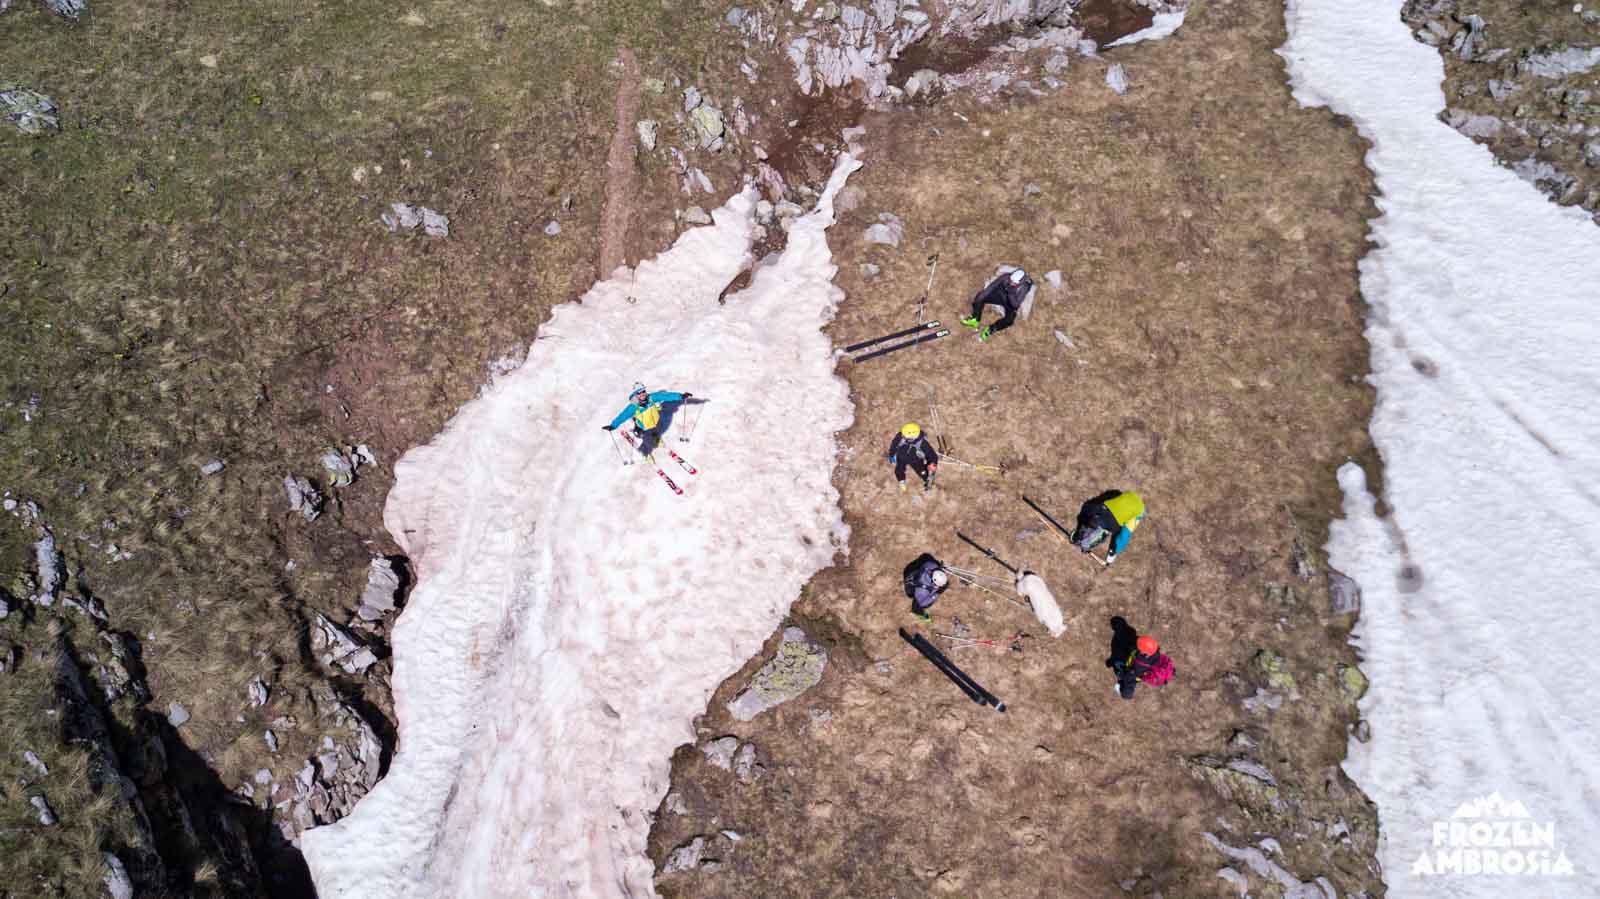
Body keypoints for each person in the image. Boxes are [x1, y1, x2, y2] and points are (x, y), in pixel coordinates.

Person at [602, 383, 691, 456]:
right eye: (639, 392)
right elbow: (623, 416)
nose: (642, 394)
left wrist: (681, 396)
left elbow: (666, 396)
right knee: (643, 434)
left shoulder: (652, 398)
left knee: (654, 430)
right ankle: (644, 450)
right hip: (643, 425)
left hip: (654, 422)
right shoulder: (633, 406)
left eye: (643, 391)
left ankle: (655, 437)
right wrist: (613, 425)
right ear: (635, 394)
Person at [1071, 489, 1146, 566]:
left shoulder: (1129, 494)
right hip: (1111, 522)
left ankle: (1080, 535)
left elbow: (1107, 497)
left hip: (1100, 509)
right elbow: (1125, 534)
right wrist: (1113, 553)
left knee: (1093, 518)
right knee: (1118, 530)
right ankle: (1089, 542)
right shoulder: (1140, 512)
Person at [1106, 618, 1174, 699]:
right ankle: (1113, 660)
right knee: (1126, 641)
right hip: (1131, 661)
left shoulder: (1139, 666)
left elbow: (1128, 688)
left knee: (1118, 656)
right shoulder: (1151, 651)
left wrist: (1124, 690)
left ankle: (1113, 660)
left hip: (1129, 665)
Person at [959, 268, 1033, 342]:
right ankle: (975, 319)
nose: (1011, 283)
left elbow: (1015, 304)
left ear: (1020, 282)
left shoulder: (1024, 286)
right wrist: (981, 296)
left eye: (1014, 282)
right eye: (1011, 280)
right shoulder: (1006, 276)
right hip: (1000, 295)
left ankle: (990, 330)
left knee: (1009, 320)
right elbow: (992, 286)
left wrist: (1011, 292)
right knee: (980, 296)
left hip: (1010, 303)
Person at [887, 423, 939, 493]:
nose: (903, 436)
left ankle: (927, 480)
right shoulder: (900, 437)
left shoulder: (922, 442)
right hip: (901, 457)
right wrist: (891, 454)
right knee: (899, 470)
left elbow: (931, 454)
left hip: (915, 459)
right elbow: (894, 445)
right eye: (903, 434)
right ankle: (901, 481)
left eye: (905, 436)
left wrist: (933, 462)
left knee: (922, 471)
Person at [902, 552, 950, 622]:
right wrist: (935, 595)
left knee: (926, 558)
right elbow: (922, 603)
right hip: (910, 584)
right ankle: (918, 614)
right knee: (918, 603)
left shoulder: (932, 565)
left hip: (910, 570)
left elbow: (926, 555)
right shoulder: (922, 592)